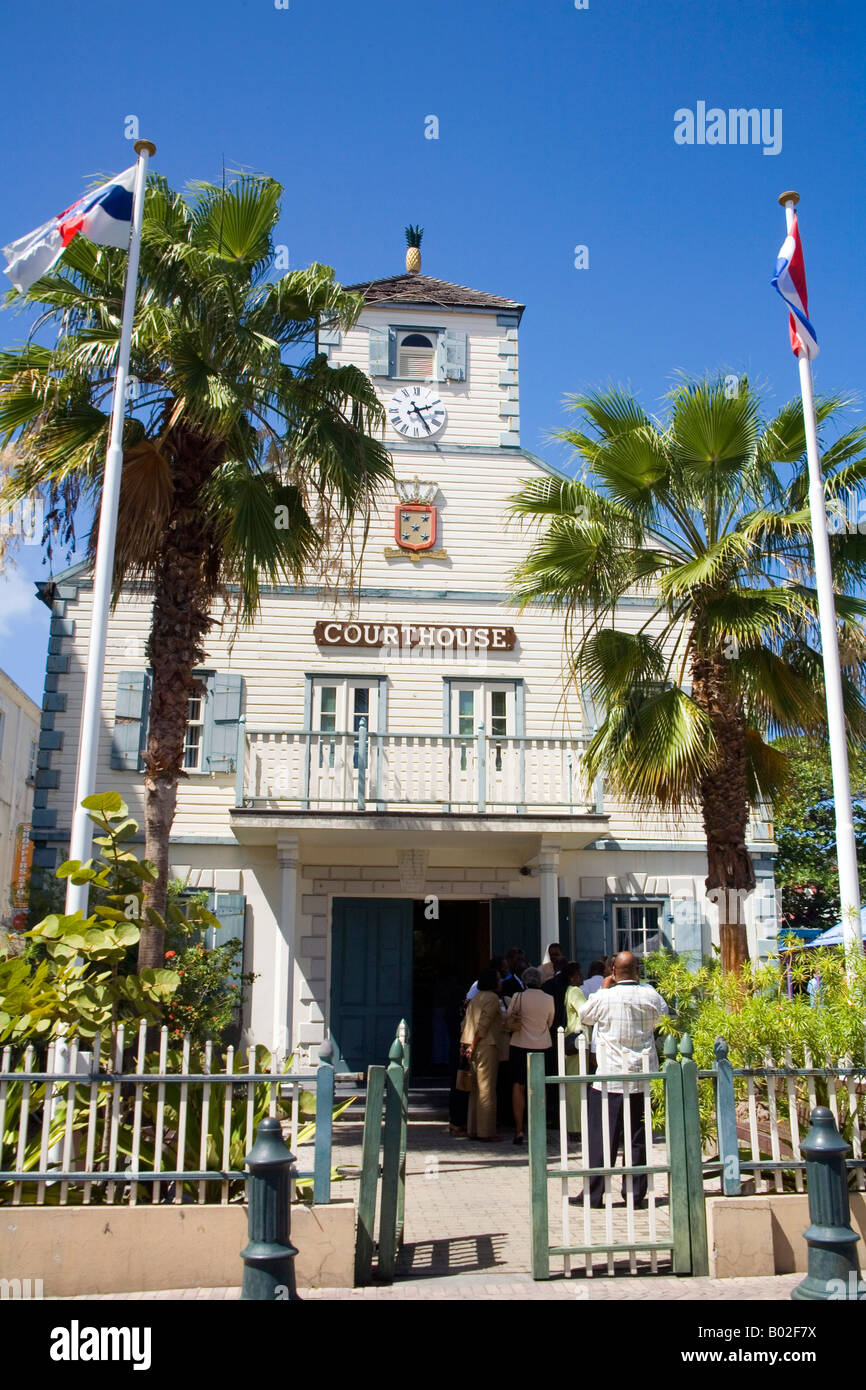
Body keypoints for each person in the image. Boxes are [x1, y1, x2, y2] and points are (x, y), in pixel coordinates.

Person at [577, 951, 669, 1207]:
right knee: (637, 1138)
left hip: (610, 1076)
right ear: (637, 971)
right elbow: (664, 1017)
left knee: (602, 1138)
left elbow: (584, 1015)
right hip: (641, 1075)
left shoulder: (607, 997)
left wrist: (603, 990)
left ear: (614, 972)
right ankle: (634, 1193)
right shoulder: (650, 994)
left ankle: (594, 1193)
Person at [505, 966, 554, 1144]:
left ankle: (519, 1130)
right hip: (542, 1045)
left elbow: (510, 1017)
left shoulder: (518, 997)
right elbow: (550, 1021)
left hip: (519, 1043)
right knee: (540, 1088)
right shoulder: (549, 999)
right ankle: (538, 1129)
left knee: (518, 1086)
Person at [461, 967, 504, 1142]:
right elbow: (484, 1024)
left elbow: (466, 1022)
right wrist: (474, 1043)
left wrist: (466, 1045)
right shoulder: (492, 998)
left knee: (475, 1089)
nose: (501, 982)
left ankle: (473, 1127)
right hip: (486, 1044)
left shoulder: (476, 997)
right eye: (499, 979)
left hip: (472, 1044)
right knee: (487, 1088)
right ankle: (486, 1131)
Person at [563, 962, 590, 1137]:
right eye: (579, 974)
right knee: (576, 1084)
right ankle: (576, 1126)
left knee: (574, 1083)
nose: (582, 977)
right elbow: (585, 1011)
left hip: (573, 1038)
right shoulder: (575, 991)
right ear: (573, 977)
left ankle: (575, 1124)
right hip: (578, 1040)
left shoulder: (569, 991)